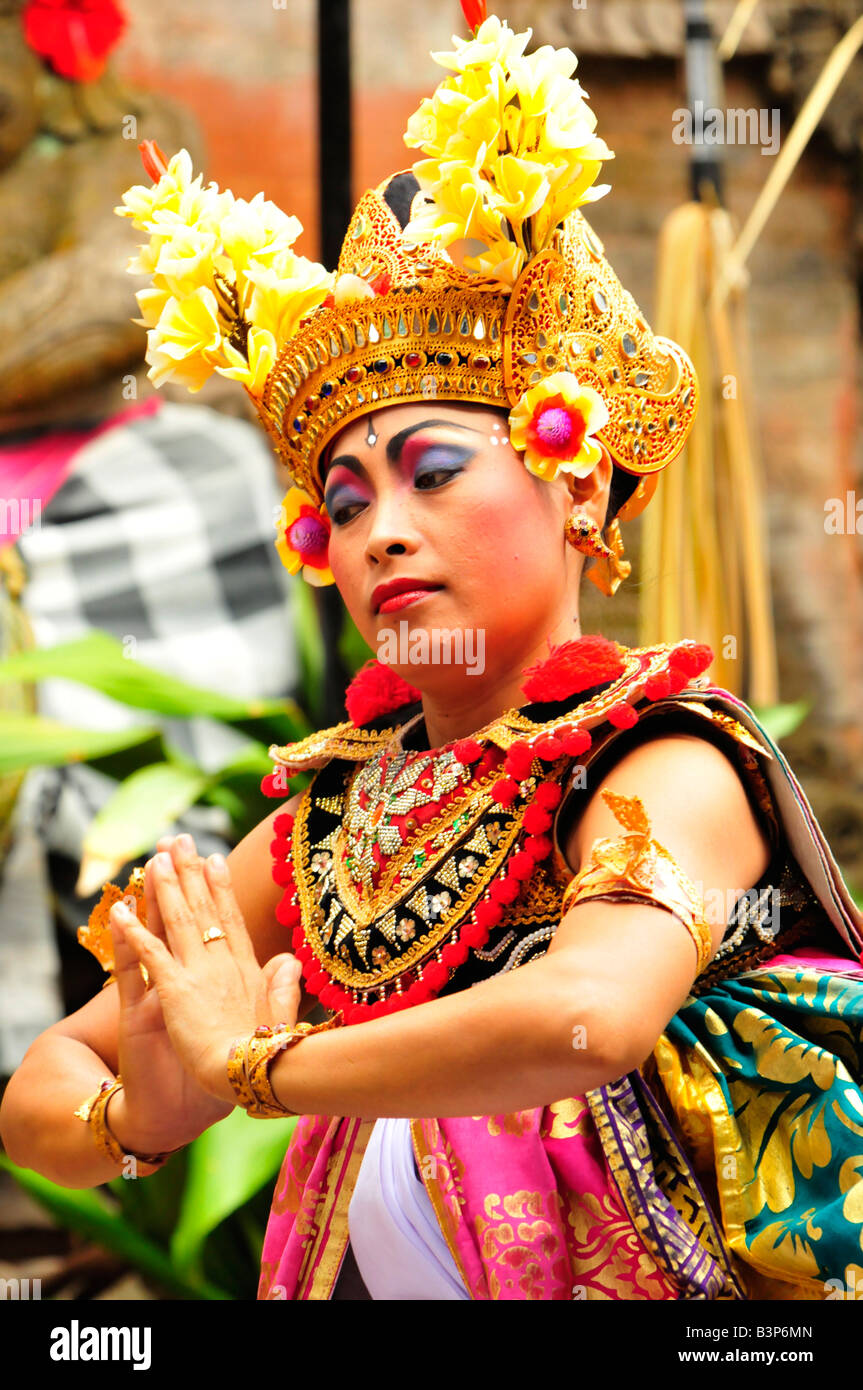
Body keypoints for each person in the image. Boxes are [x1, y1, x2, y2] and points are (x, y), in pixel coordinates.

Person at [2, 8, 862, 1302]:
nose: (380, 533)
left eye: (434, 472)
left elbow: (589, 1015)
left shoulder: (666, 757)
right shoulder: (327, 829)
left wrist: (258, 1069)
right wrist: (143, 1112)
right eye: (343, 503)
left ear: (577, 485)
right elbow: (40, 1087)